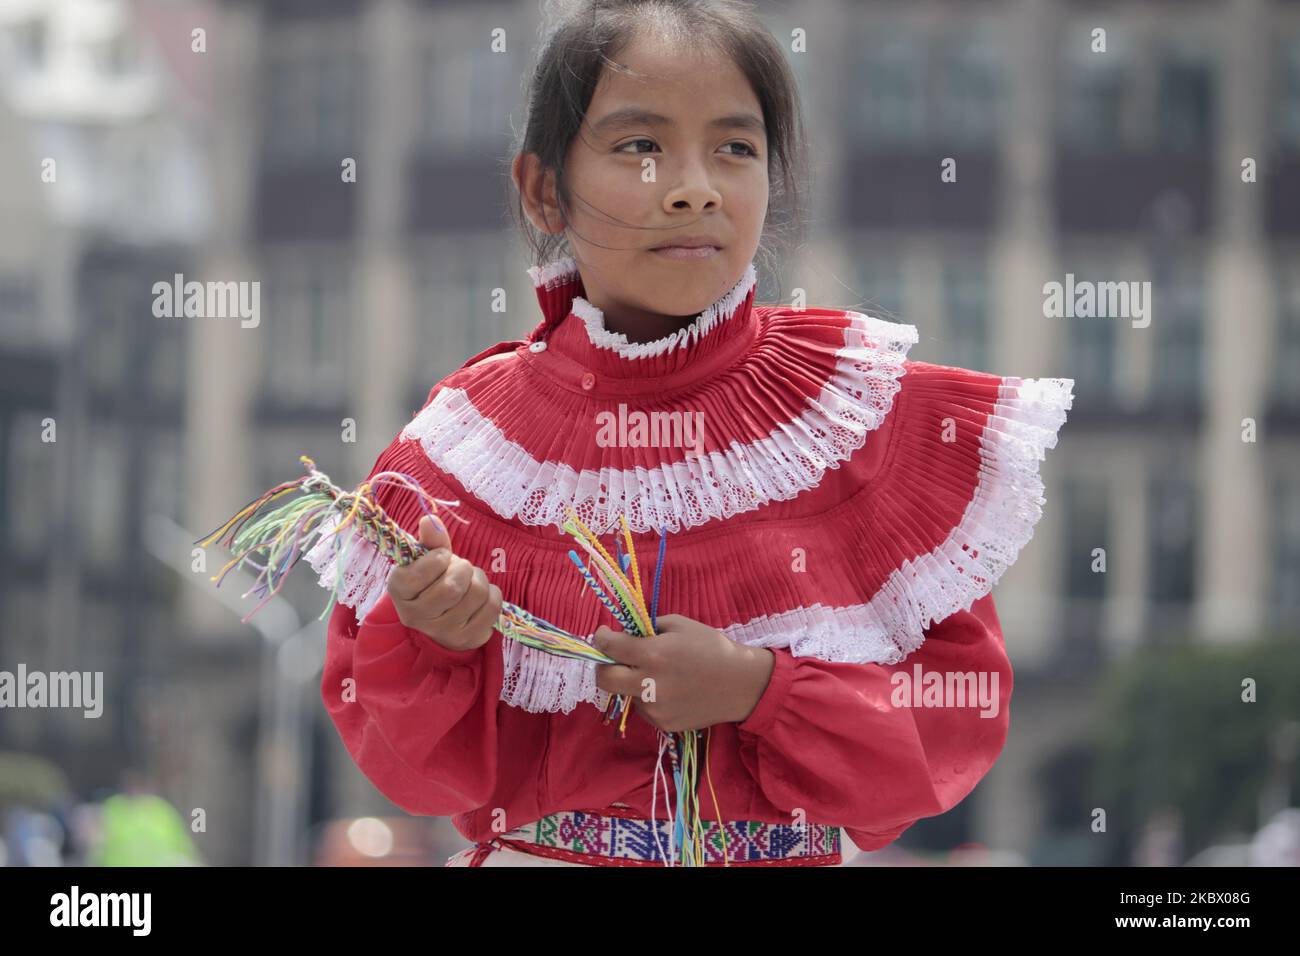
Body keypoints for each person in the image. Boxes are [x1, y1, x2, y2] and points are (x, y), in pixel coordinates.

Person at [315, 0, 1074, 867]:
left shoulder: (857, 420)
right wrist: (435, 639)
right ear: (543, 189)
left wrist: (761, 691)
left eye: (736, 148)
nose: (694, 186)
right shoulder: (464, 451)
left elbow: (955, 714)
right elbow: (406, 761)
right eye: (640, 146)